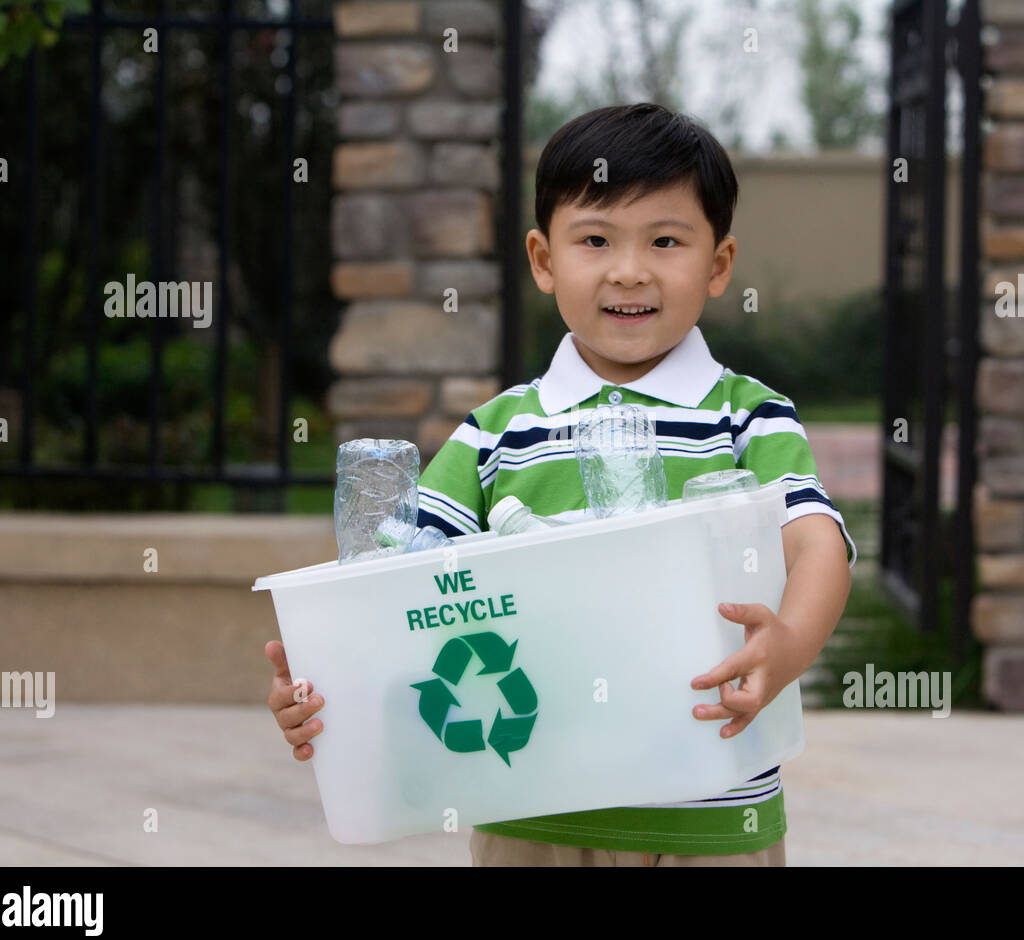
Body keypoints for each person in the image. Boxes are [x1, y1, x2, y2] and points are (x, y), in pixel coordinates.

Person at [267, 102, 856, 866]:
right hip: (533, 814)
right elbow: (387, 597)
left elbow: (818, 544)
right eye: (596, 239)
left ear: (718, 265)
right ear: (544, 261)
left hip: (714, 815)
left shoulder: (748, 417)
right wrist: (322, 694)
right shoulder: (496, 433)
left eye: (666, 240)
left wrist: (791, 643)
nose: (629, 269)